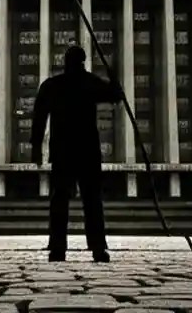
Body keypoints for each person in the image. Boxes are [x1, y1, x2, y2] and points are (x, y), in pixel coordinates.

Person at [31, 44, 124, 262]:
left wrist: (36, 148)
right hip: (86, 151)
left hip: (64, 151)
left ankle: (58, 247)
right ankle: (97, 248)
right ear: (82, 62)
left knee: (62, 200)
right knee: (90, 201)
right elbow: (116, 95)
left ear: (66, 62)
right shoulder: (89, 82)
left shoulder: (53, 85)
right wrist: (114, 76)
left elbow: (39, 118)